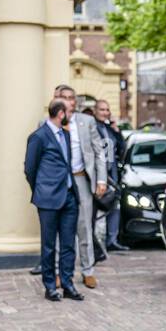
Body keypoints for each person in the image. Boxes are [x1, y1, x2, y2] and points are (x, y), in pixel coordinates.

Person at [26, 99, 83, 302]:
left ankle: (68, 284)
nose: (70, 114)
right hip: (48, 199)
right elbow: (29, 169)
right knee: (49, 245)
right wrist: (41, 190)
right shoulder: (38, 137)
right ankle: (50, 287)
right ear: (60, 113)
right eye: (68, 111)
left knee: (68, 245)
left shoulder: (66, 135)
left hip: (69, 197)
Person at [54, 84, 106, 289]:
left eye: (71, 97)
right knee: (59, 228)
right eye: (63, 97)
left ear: (76, 101)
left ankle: (88, 270)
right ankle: (60, 272)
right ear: (56, 100)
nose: (68, 101)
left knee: (84, 226)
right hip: (59, 182)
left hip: (81, 179)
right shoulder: (48, 123)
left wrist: (101, 180)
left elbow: (99, 151)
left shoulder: (87, 121)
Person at [93, 99, 128, 252]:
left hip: (112, 172)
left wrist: (117, 131)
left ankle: (111, 240)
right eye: (102, 109)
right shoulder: (91, 127)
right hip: (97, 173)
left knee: (115, 206)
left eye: (107, 110)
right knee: (94, 208)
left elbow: (122, 149)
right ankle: (93, 243)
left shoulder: (109, 129)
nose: (105, 113)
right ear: (95, 111)